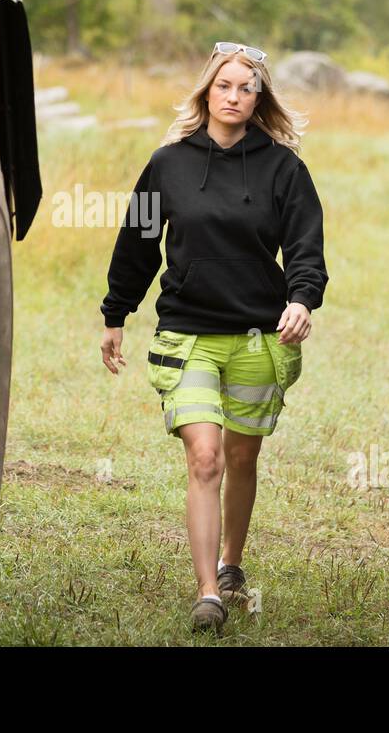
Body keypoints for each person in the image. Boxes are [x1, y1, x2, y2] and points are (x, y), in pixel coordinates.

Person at [99, 41, 328, 633]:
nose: (233, 96)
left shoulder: (284, 169)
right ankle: (209, 594)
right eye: (223, 85)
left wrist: (302, 300)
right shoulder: (168, 163)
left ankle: (232, 562)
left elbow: (306, 246)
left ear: (259, 99)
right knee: (204, 457)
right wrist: (115, 313)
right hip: (186, 332)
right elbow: (137, 244)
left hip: (259, 337)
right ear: (207, 91)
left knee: (240, 455)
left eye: (245, 88)